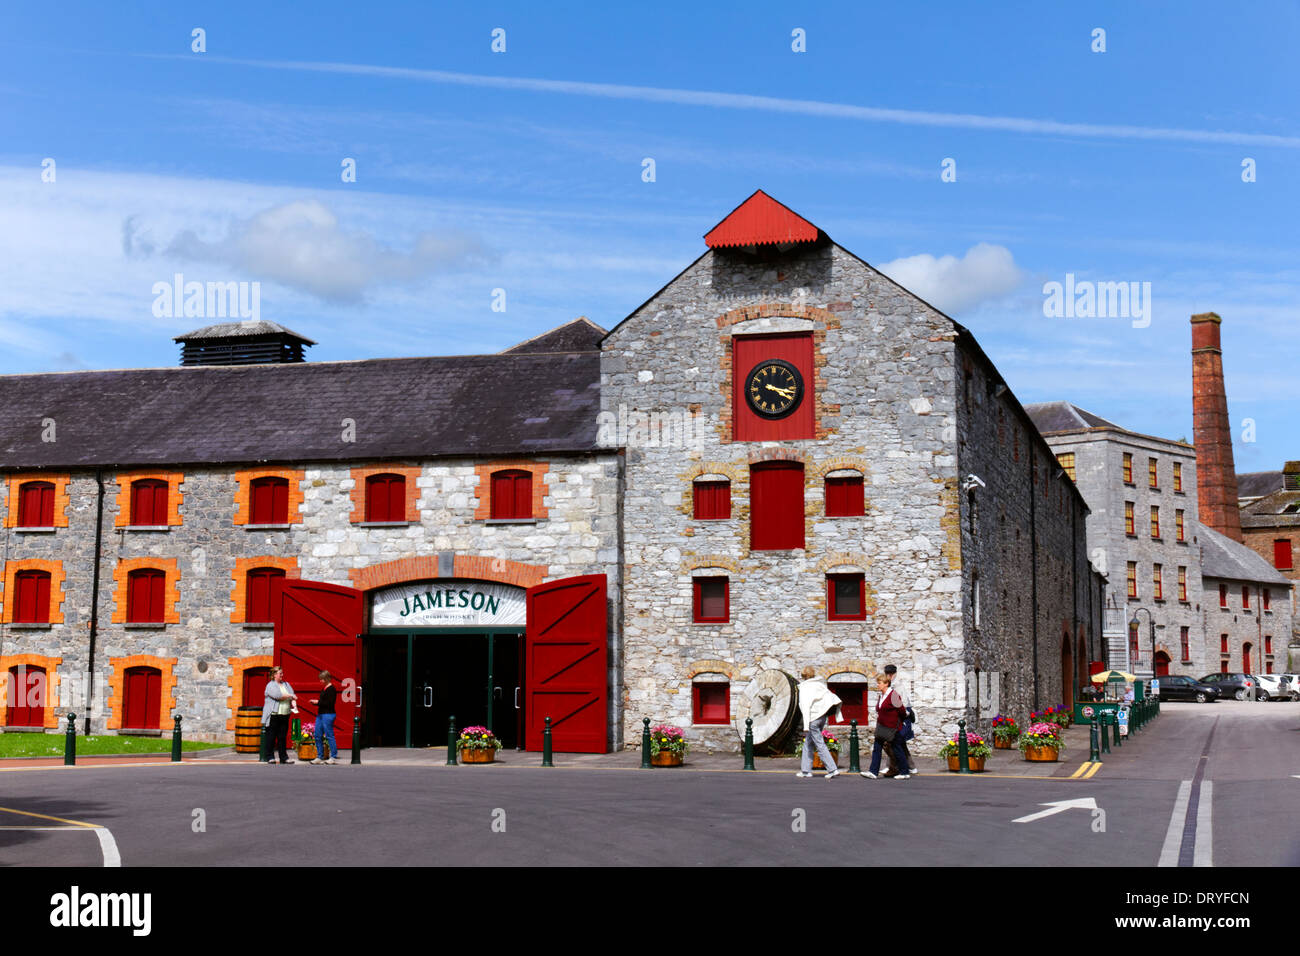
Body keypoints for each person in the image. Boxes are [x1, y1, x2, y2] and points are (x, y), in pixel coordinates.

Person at [795, 666, 843, 779]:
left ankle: (832, 769)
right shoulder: (820, 684)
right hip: (822, 717)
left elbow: (805, 707)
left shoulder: (805, 687)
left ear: (803, 677)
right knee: (808, 743)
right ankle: (806, 770)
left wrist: (806, 726)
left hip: (813, 718)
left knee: (819, 744)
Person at [862, 673, 909, 779]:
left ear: (886, 684)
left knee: (897, 749)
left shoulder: (893, 695)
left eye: (879, 683)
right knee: (877, 748)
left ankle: (905, 772)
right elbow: (879, 709)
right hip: (882, 727)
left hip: (892, 728)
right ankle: (873, 772)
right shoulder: (882, 695)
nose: (878, 685)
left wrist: (898, 722)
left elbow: (901, 711)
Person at [883, 664, 917, 776]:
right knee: (897, 742)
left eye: (890, 674)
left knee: (896, 741)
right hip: (899, 714)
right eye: (887, 674)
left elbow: (900, 704)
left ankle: (900, 767)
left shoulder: (897, 686)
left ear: (894, 674)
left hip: (902, 715)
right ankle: (908, 767)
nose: (889, 676)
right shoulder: (891, 685)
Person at [262, 666, 296, 764]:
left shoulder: (286, 684)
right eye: (280, 673)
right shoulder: (270, 685)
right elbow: (278, 696)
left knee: (282, 737)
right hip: (274, 714)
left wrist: (293, 703)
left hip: (285, 713)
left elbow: (292, 694)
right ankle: (270, 757)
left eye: (282, 673)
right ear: (274, 675)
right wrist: (291, 696)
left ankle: (283, 757)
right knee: (271, 736)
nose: (282, 675)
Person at [310, 670, 339, 765]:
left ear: (326, 679)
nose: (320, 681)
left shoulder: (332, 689)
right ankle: (320, 756)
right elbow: (323, 702)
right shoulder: (324, 689)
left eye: (321, 679)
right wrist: (317, 702)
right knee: (317, 735)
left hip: (328, 714)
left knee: (329, 735)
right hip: (321, 714)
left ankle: (333, 756)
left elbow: (329, 703)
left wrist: (317, 702)